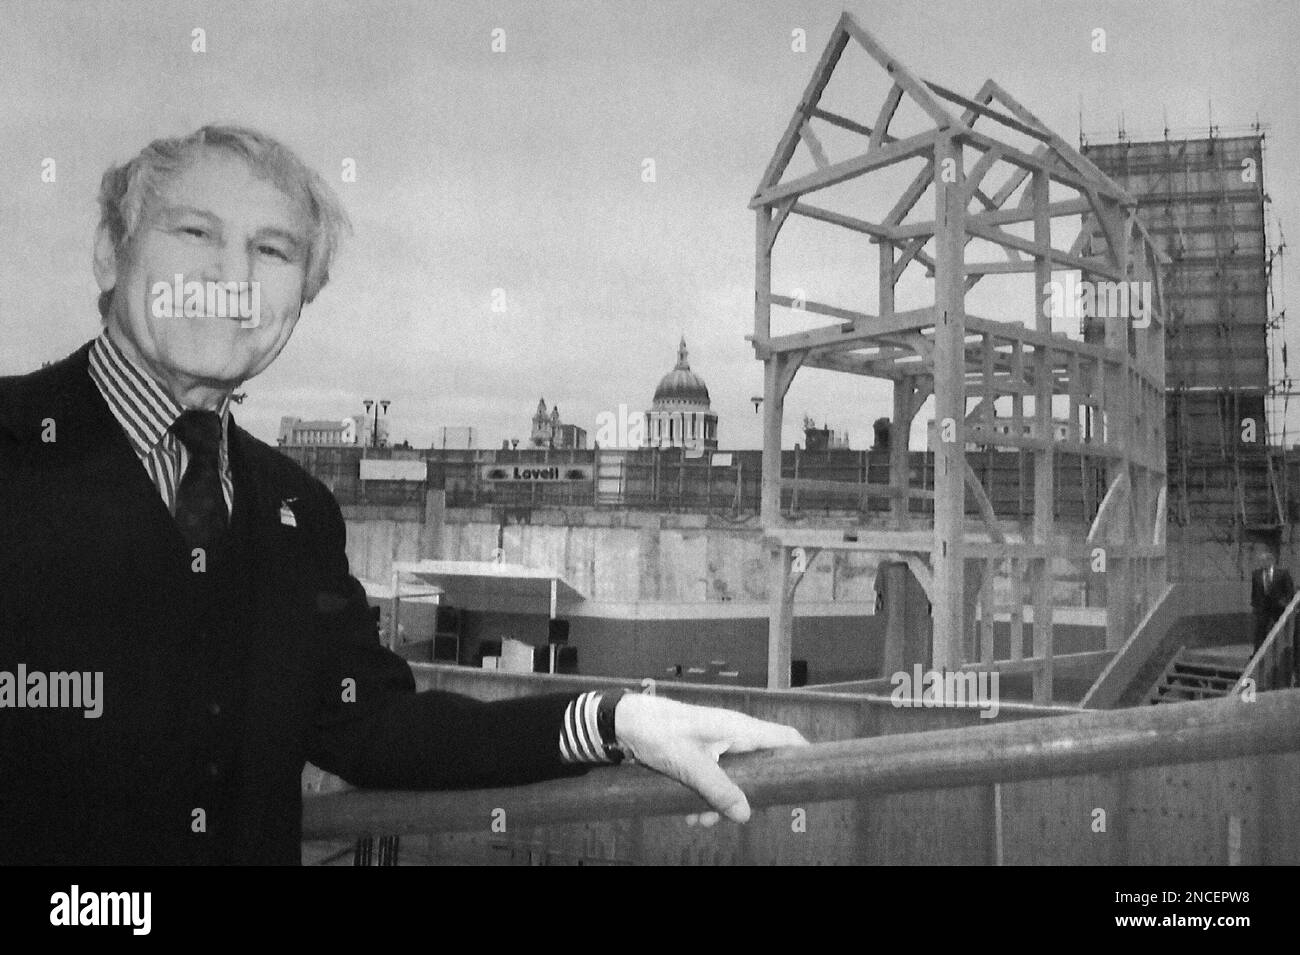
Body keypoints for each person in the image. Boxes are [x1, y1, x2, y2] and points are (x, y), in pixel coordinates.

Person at [0, 125, 807, 865]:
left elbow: (376, 729)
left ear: (298, 301)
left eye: (273, 250)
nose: (230, 276)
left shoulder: (294, 509)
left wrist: (617, 720)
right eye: (194, 231)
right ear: (110, 254)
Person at [1250, 543, 1297, 684]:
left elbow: (1289, 590)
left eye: (1264, 561)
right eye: (1260, 561)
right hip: (1263, 608)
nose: (1261, 563)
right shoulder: (1256, 575)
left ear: (1271, 561)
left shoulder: (1282, 573)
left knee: (1278, 630)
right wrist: (1254, 605)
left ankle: (1279, 652)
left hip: (1278, 607)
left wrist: (1286, 603)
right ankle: (1257, 654)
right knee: (1260, 630)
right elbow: (1255, 592)